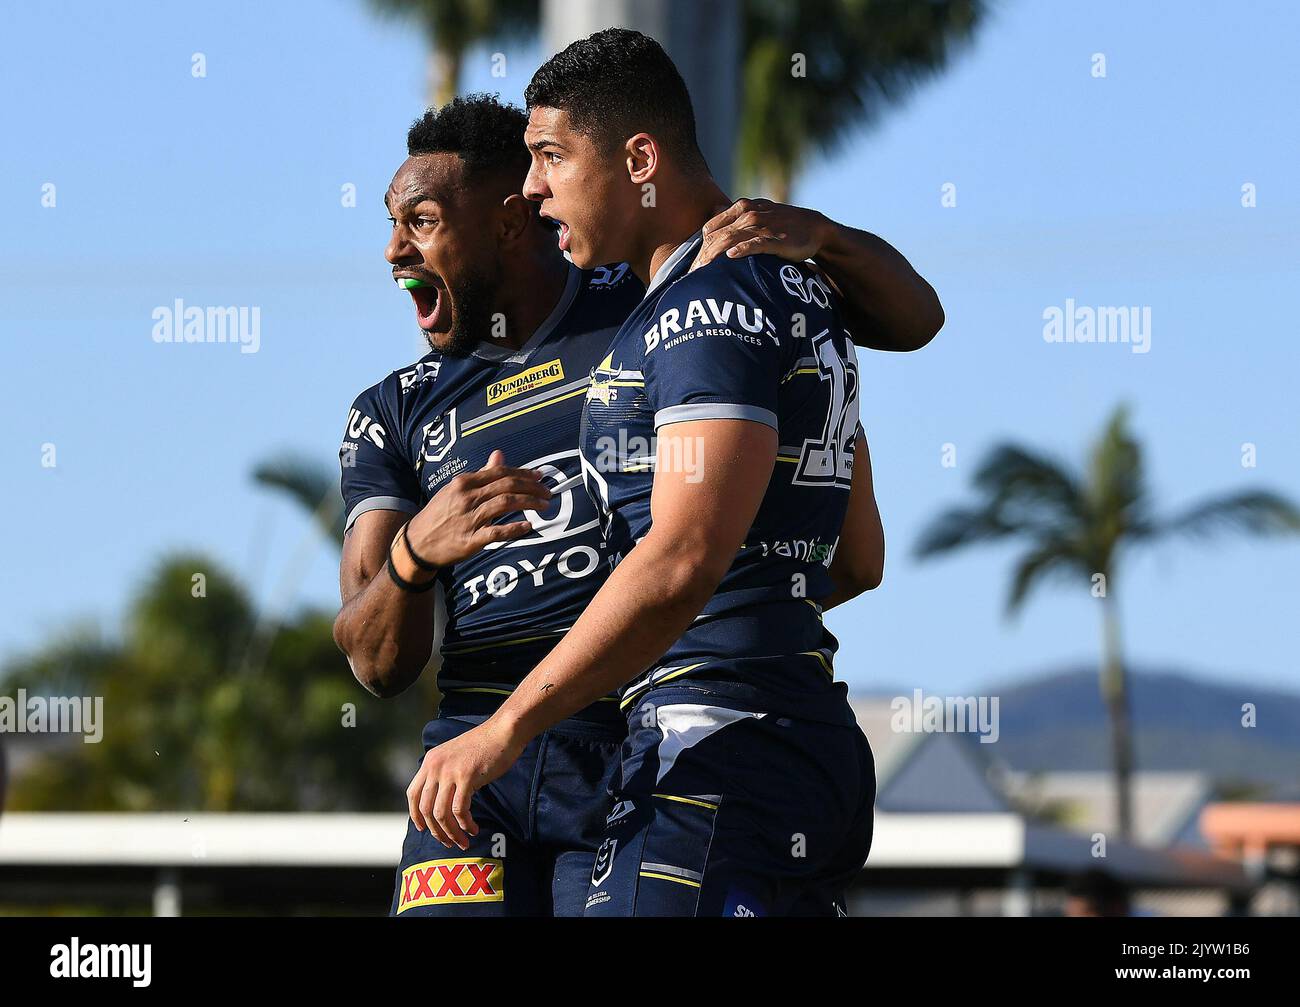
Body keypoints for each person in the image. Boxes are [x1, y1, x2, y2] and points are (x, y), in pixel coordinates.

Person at [406, 30, 941, 916]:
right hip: (789, 739)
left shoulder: (704, 308)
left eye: (550, 157)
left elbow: (685, 554)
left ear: (640, 157)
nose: (533, 189)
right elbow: (855, 558)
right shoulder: (788, 288)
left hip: (713, 750)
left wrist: (504, 728)